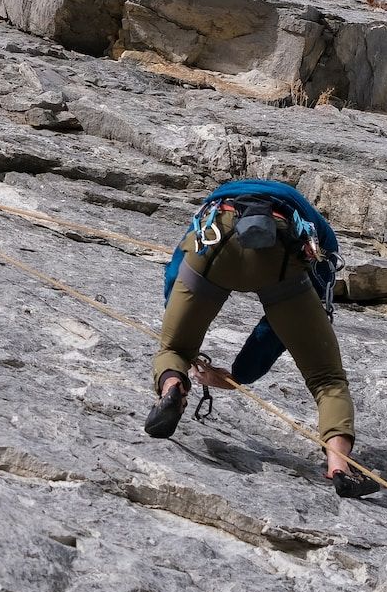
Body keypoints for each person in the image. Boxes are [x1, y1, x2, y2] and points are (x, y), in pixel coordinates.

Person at [144, 180, 374, 497]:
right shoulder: (317, 228)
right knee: (327, 379)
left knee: (175, 349)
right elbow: (278, 327)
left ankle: (172, 387)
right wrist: (241, 374)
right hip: (280, 249)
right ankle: (340, 467)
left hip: (217, 236)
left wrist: (178, 323)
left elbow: (175, 269)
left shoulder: (221, 195)